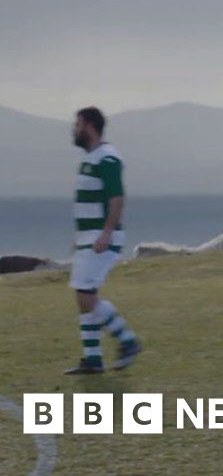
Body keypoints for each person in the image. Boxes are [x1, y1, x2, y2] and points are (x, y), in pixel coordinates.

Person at [64, 106, 141, 374]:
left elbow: (116, 198)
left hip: (101, 239)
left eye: (77, 124)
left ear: (89, 126)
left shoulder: (107, 158)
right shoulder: (91, 159)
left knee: (86, 295)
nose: (74, 129)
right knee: (84, 296)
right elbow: (91, 203)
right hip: (89, 238)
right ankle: (93, 359)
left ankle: (127, 340)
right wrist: (81, 236)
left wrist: (106, 233)